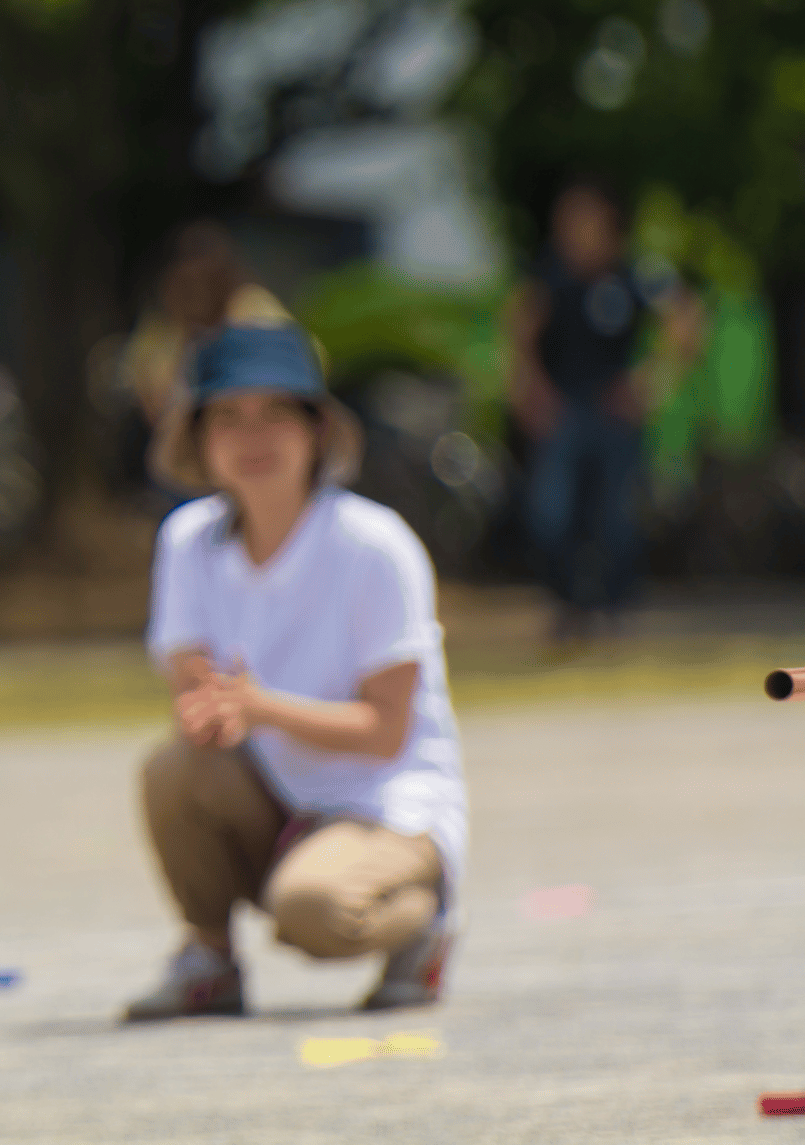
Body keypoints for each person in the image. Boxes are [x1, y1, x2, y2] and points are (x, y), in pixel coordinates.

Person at [125, 323, 468, 1021]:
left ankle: (424, 924)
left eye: (275, 413)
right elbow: (200, 700)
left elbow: (385, 733)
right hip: (277, 798)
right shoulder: (189, 542)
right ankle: (209, 956)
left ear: (318, 431)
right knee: (173, 768)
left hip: (383, 806)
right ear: (197, 438)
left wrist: (261, 708)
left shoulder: (372, 545)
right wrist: (217, 713)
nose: (253, 437)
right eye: (228, 417)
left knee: (313, 910)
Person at [508, 179, 702, 637]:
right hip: (565, 412)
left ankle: (615, 610)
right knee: (550, 513)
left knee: (617, 517)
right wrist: (531, 389)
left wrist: (650, 383)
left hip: (615, 414)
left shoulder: (637, 273)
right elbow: (520, 328)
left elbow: (687, 320)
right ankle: (567, 605)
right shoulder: (552, 273)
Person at [117, 220, 292, 488]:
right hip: (184, 462)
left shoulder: (256, 312)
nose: (196, 291)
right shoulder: (161, 328)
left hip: (254, 459)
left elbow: (295, 379)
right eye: (186, 283)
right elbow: (144, 388)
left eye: (205, 280)